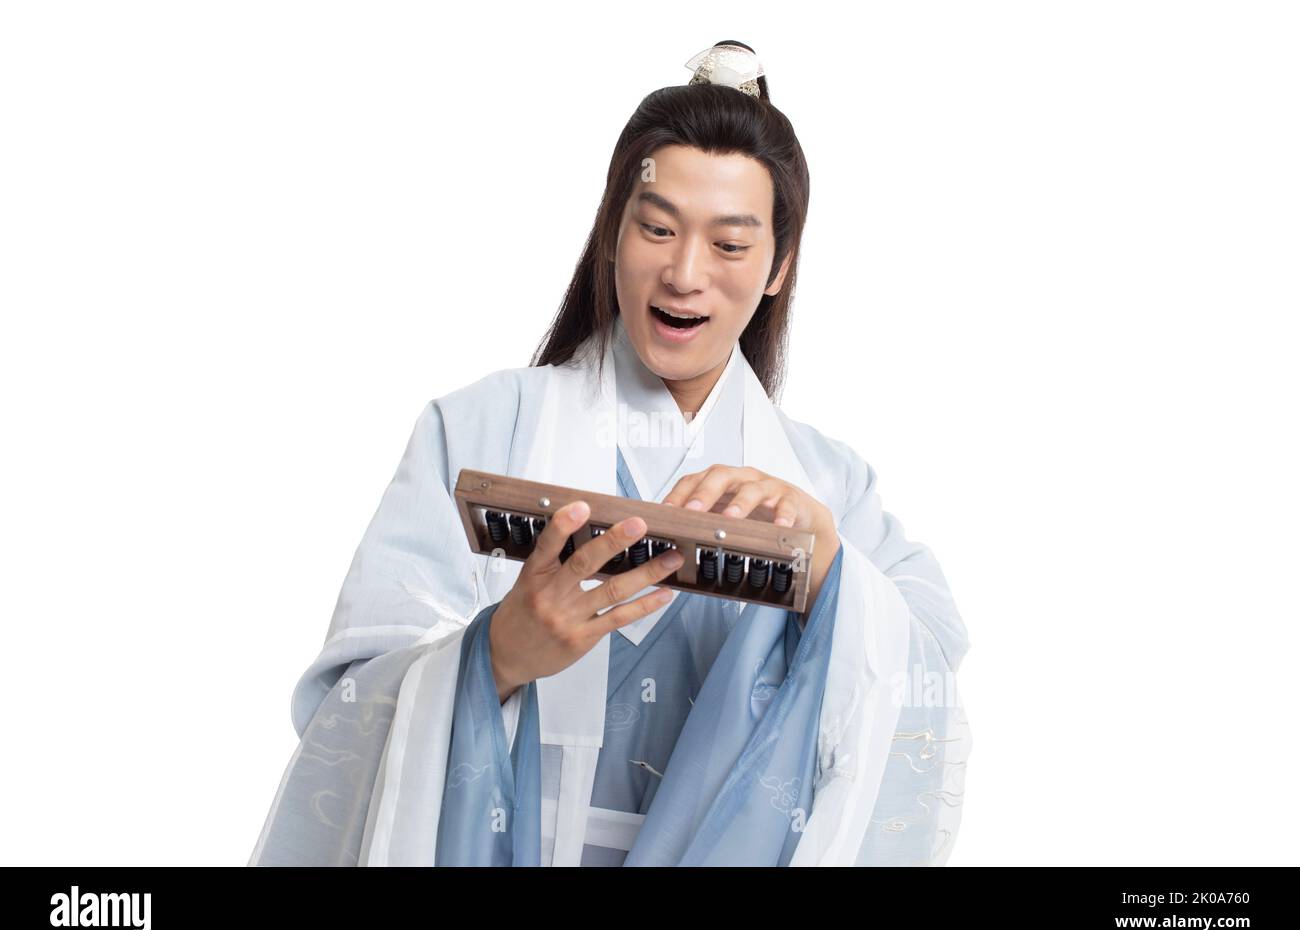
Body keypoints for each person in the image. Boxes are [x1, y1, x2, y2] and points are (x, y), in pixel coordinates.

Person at [249, 40, 972, 867]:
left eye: (731, 245)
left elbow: (929, 669)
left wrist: (831, 570)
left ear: (780, 267)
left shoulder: (825, 483)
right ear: (612, 232)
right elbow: (345, 703)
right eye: (657, 229)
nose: (685, 273)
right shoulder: (480, 427)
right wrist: (496, 655)